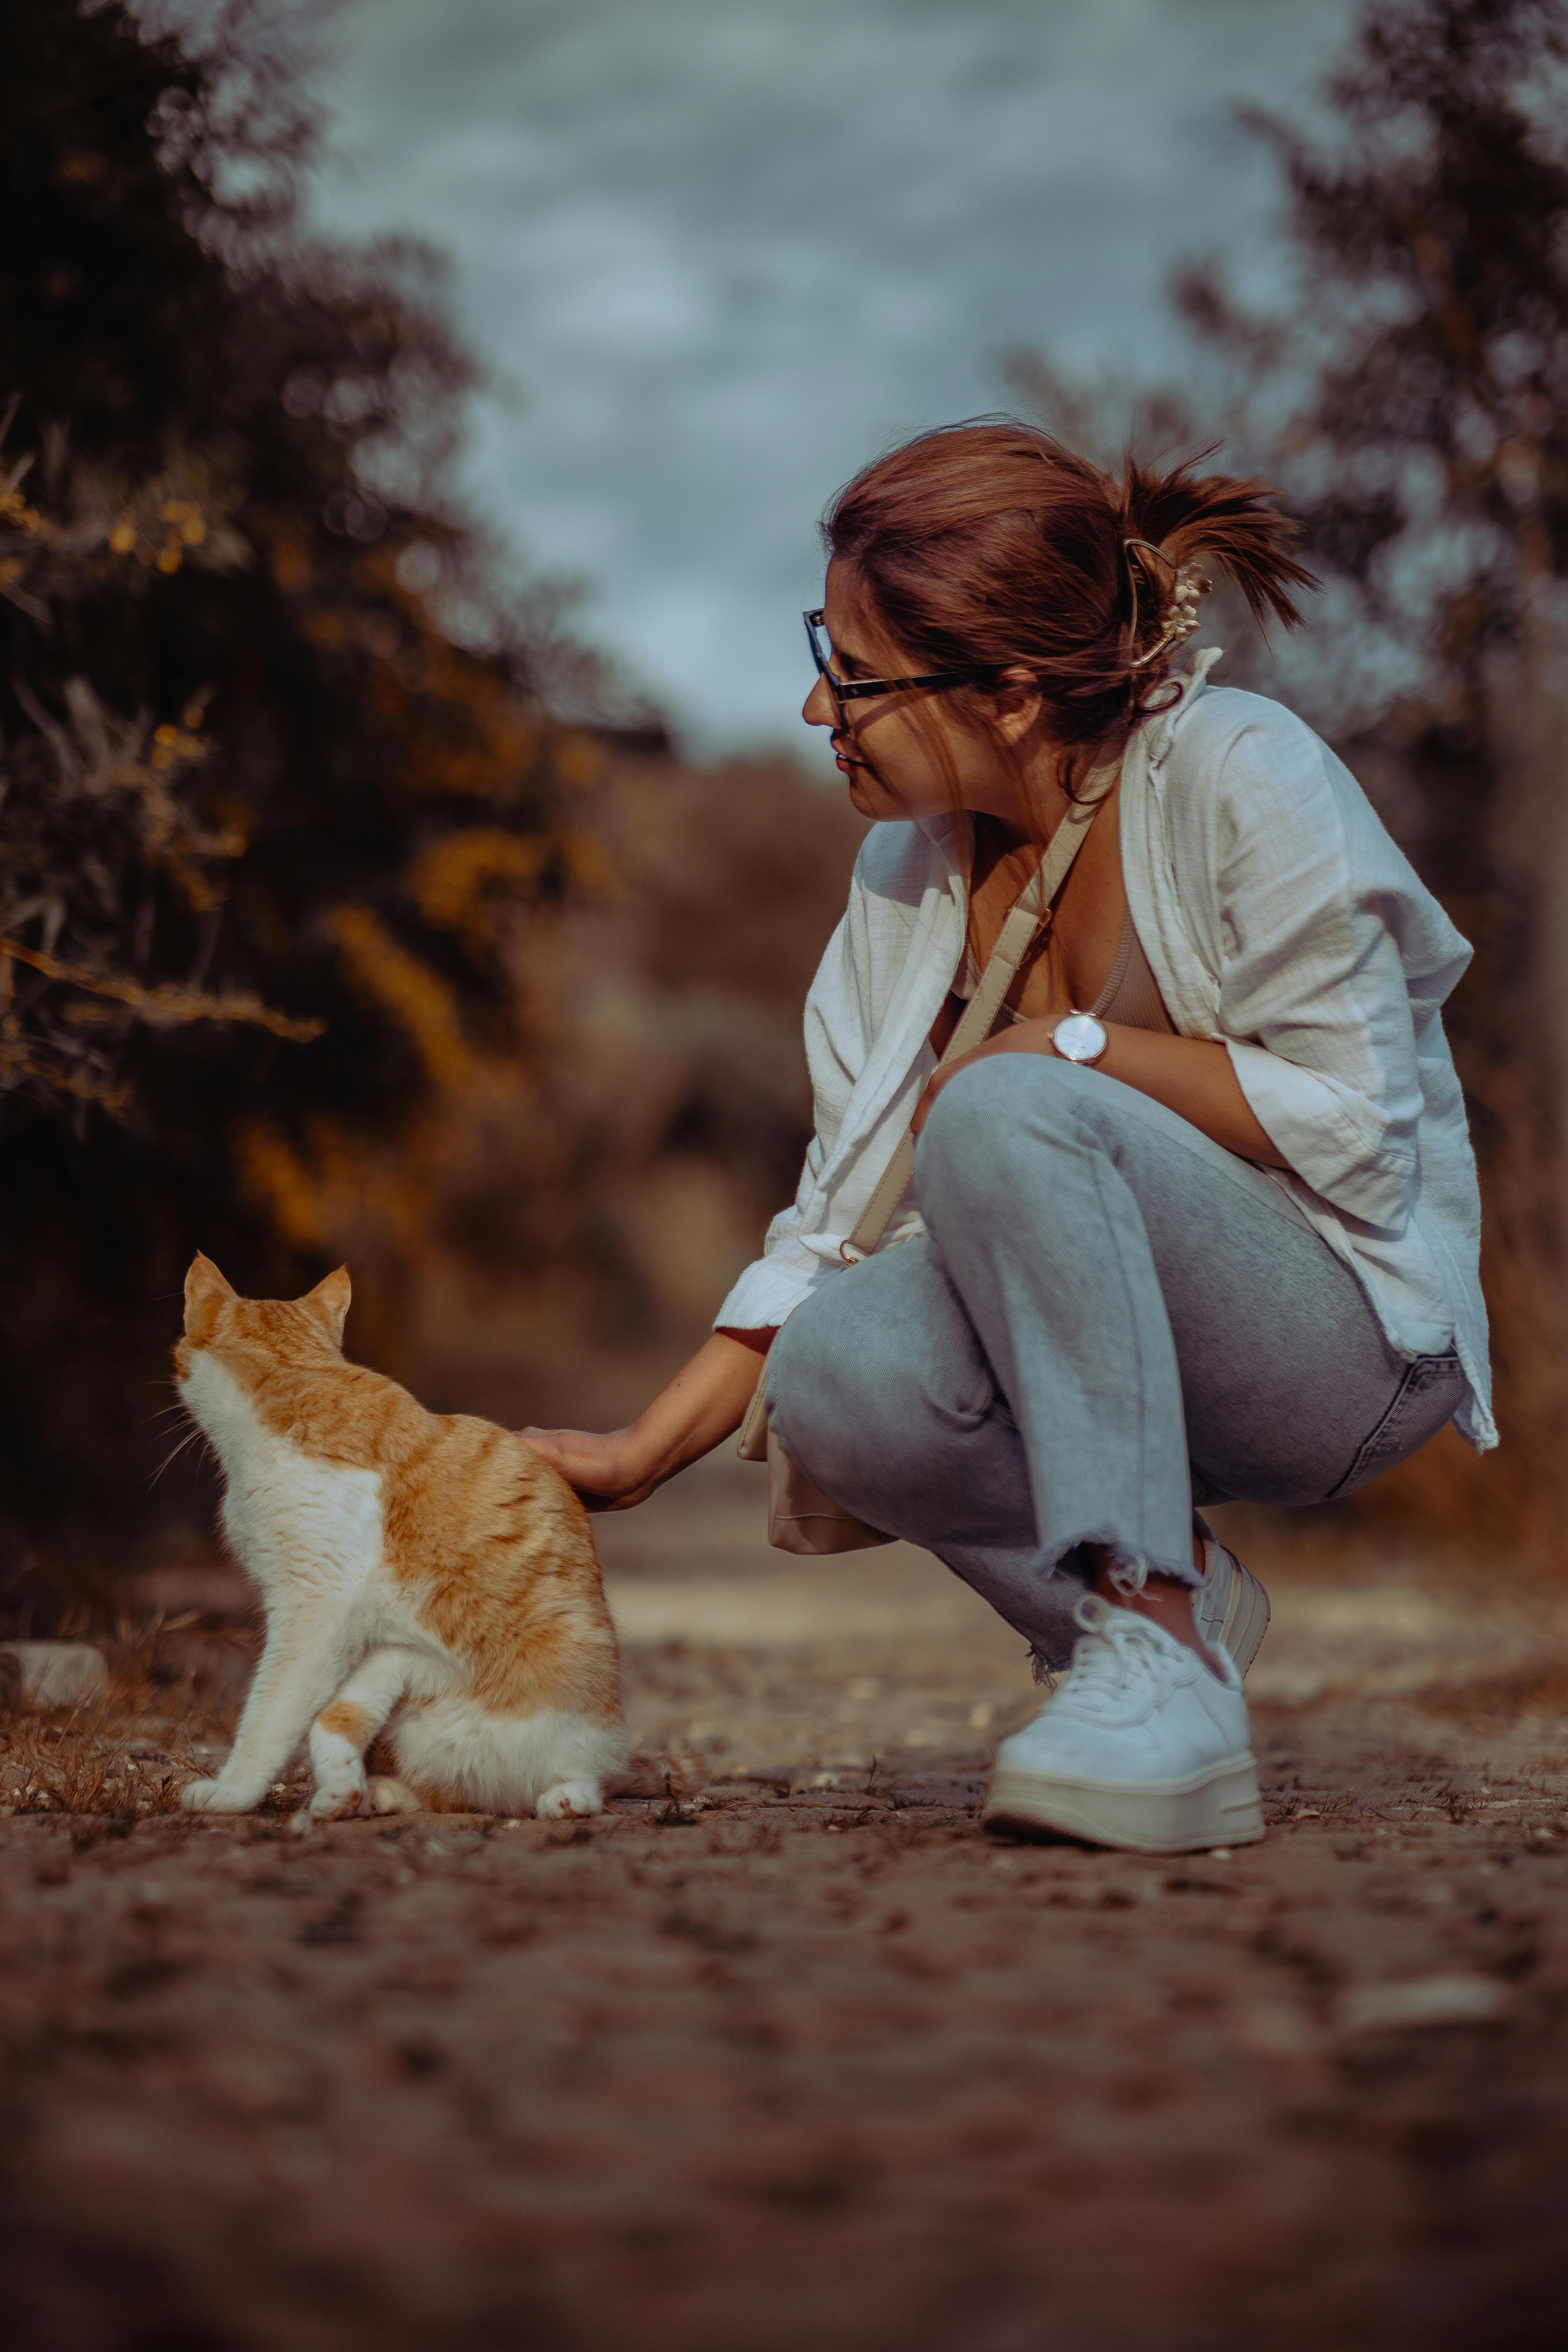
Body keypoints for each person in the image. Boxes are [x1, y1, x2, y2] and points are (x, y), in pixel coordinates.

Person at [525, 421, 1493, 1855]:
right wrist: (638, 1453)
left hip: (1343, 1346)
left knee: (1003, 1101)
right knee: (832, 1372)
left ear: (1015, 697)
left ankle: (1155, 1659)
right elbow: (832, 1224)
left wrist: (1073, 1047)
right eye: (824, 655)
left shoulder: (1243, 773)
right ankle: (1162, 1614)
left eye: (856, 676)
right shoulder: (905, 875)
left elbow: (1360, 1134)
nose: (816, 707)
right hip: (1119, 1353)